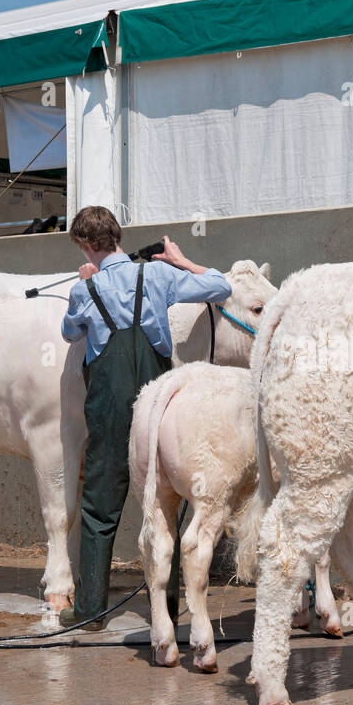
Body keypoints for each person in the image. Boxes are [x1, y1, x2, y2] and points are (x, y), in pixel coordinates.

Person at [59, 205, 232, 628]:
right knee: (164, 507)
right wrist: (181, 262)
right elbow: (220, 286)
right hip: (157, 408)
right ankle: (169, 614)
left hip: (111, 411)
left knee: (100, 509)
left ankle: (90, 611)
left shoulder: (86, 290)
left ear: (85, 245)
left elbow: (69, 332)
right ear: (117, 236)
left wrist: (87, 284)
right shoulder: (156, 276)